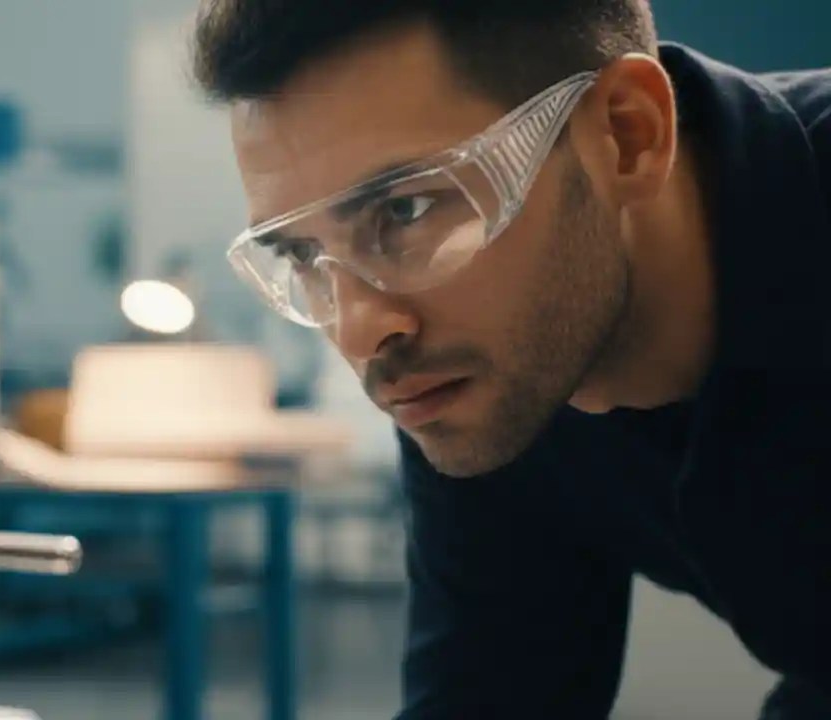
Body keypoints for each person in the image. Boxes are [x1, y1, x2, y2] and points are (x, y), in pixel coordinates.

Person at [191, 1, 831, 717]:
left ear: (628, 135)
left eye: (407, 211)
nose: (359, 330)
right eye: (302, 254)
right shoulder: (494, 378)